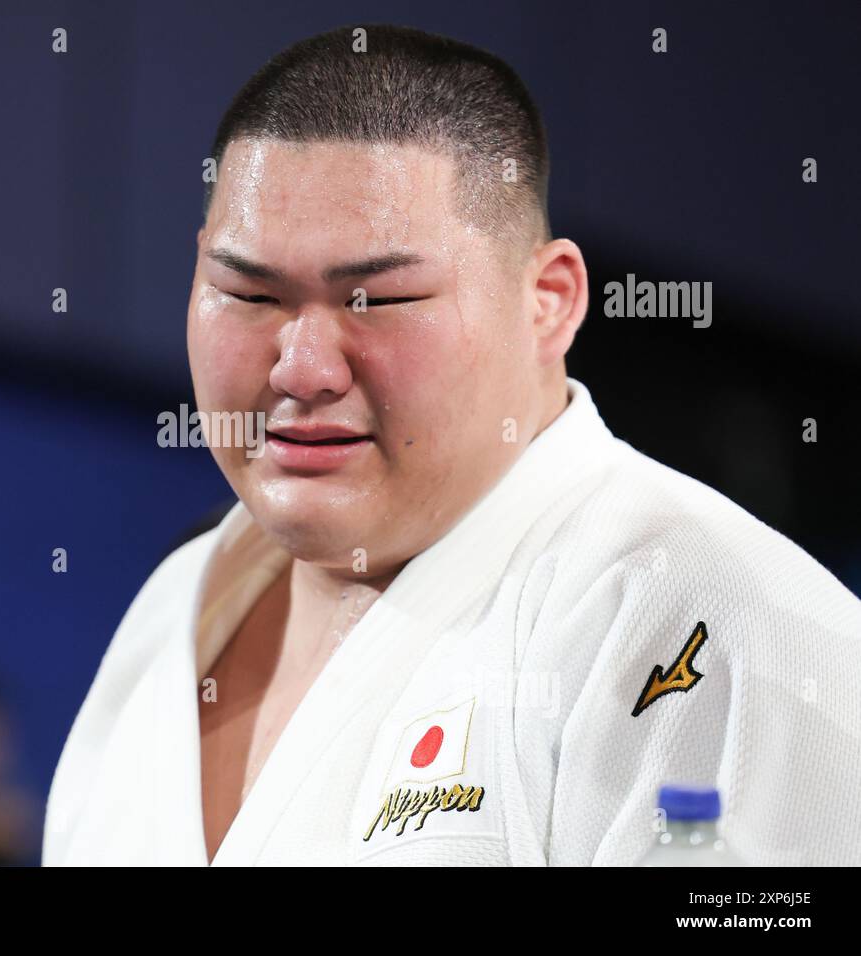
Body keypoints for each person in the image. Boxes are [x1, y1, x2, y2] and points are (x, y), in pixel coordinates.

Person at [44, 25, 861, 866]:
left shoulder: (710, 628)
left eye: (378, 299)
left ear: (547, 302)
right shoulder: (167, 617)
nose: (305, 368)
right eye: (248, 292)